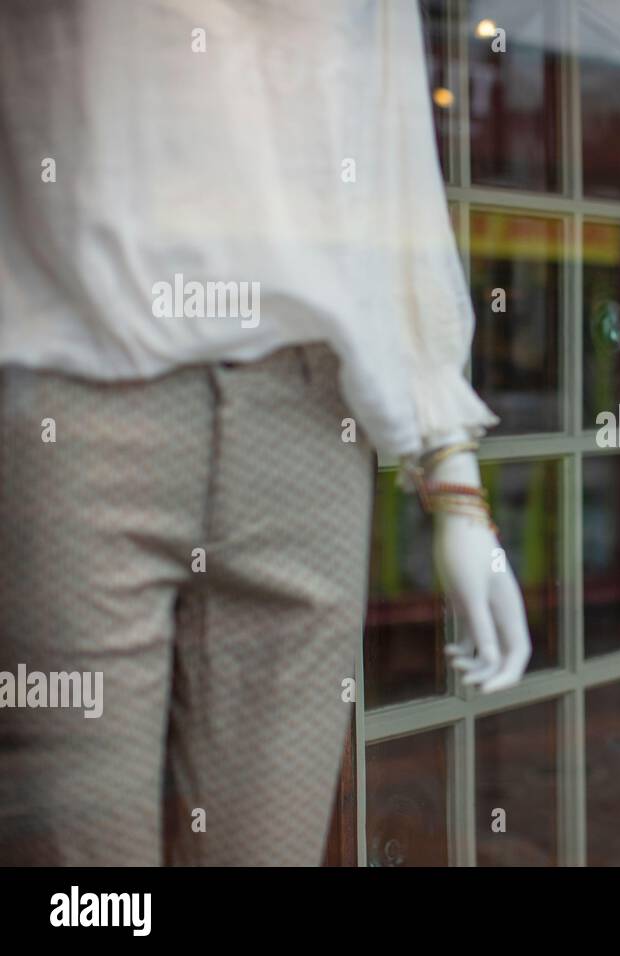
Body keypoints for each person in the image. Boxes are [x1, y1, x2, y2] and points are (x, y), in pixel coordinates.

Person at [0, 0, 529, 866]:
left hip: (308, 416)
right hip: (77, 388)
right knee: (80, 877)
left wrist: (457, 481)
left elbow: (391, 143)